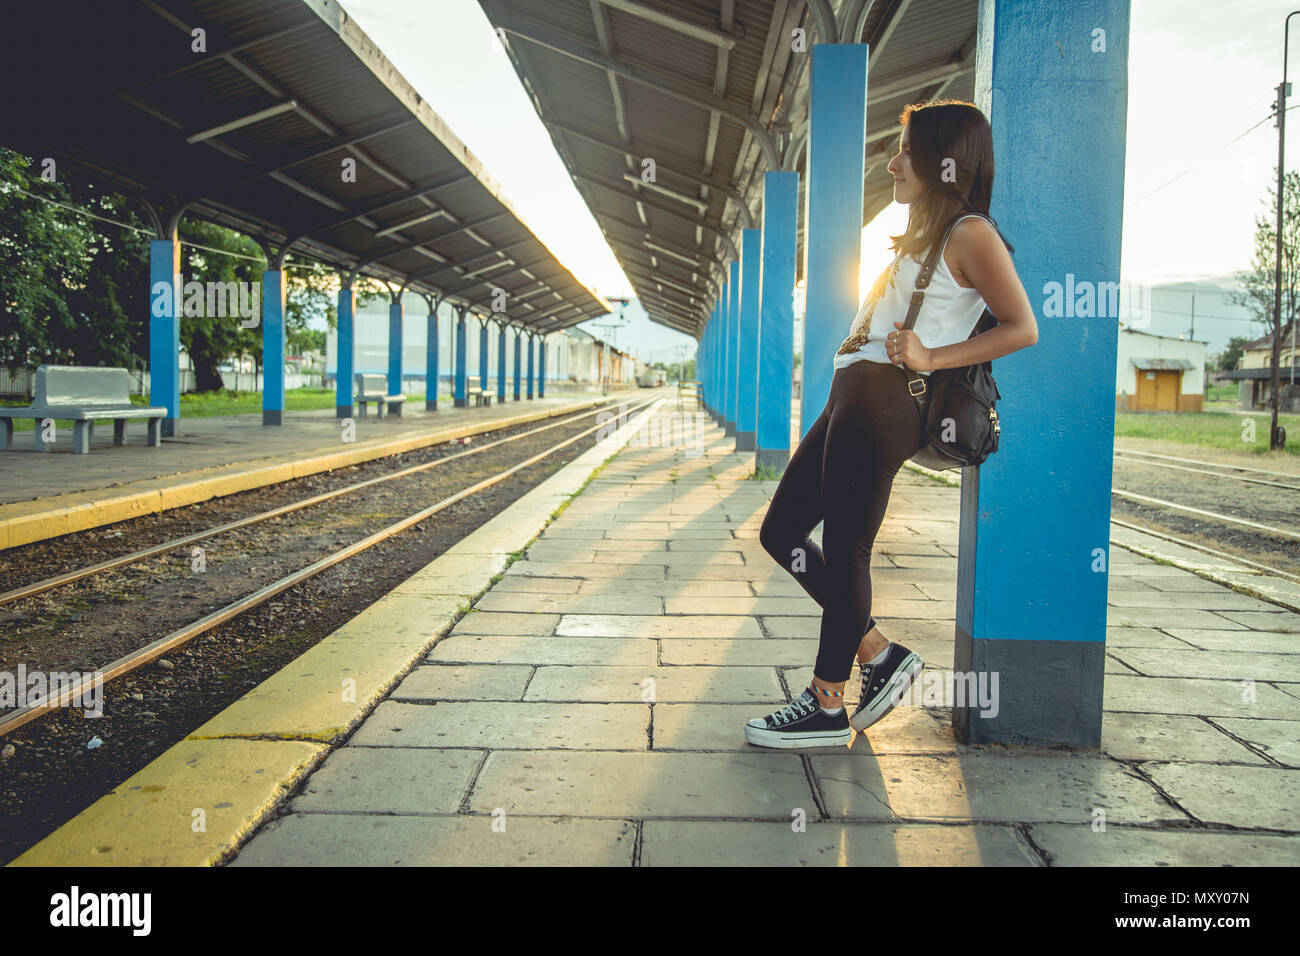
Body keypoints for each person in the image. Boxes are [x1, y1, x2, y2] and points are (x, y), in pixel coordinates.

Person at [745, 99, 1039, 749]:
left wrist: (933, 356)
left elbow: (1023, 326)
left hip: (884, 403)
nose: (892, 161)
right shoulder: (924, 233)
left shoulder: (970, 233)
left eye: (905, 149)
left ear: (944, 160)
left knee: (847, 547)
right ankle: (877, 653)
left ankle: (827, 703)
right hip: (849, 394)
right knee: (783, 530)